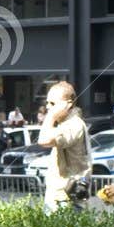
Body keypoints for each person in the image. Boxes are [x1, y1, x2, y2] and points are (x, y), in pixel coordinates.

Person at [36, 81, 89, 213]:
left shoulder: (73, 124)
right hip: (62, 197)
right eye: (47, 102)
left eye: (52, 103)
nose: (48, 107)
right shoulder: (67, 123)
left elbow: (43, 140)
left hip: (65, 200)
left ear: (69, 104)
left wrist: (51, 117)